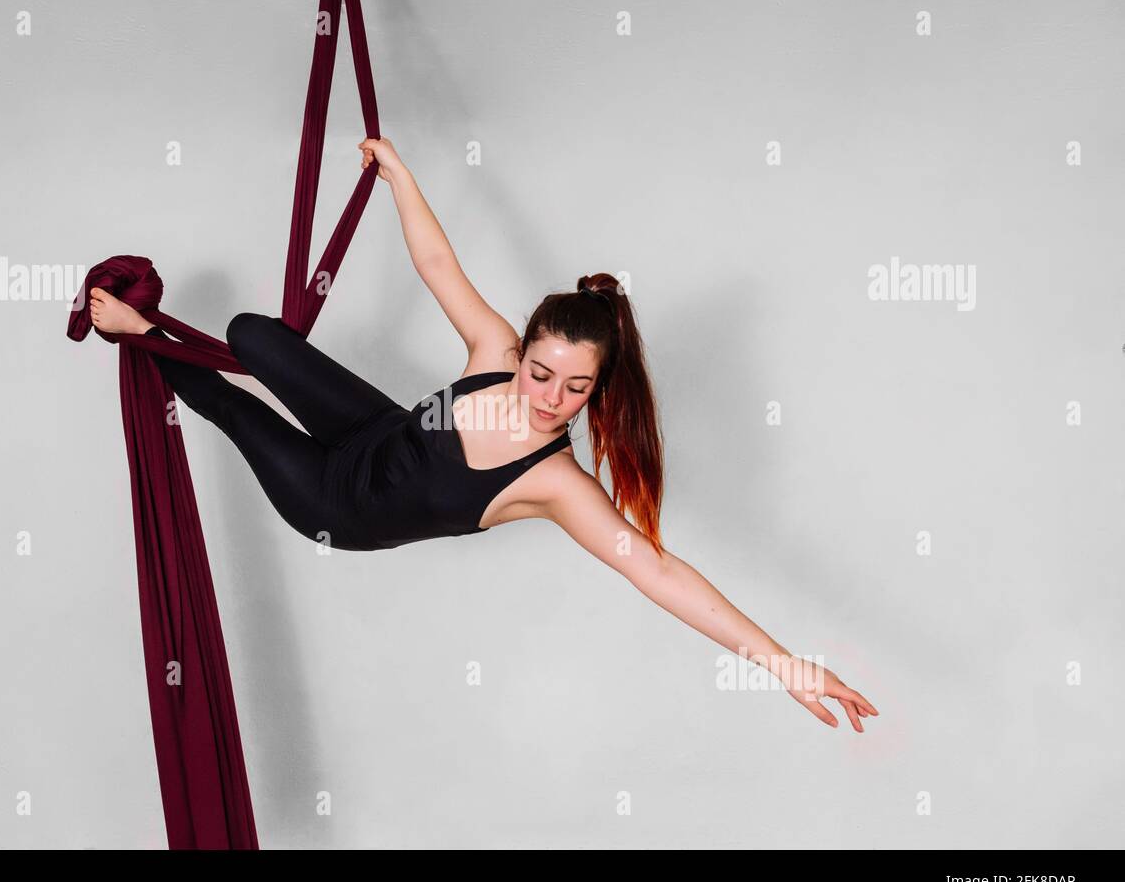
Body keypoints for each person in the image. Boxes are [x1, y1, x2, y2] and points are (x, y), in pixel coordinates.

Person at [87, 136, 879, 732]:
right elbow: (438, 264)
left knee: (239, 405)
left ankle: (135, 329)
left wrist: (786, 666)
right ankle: (170, 334)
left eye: (576, 390)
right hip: (376, 428)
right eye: (541, 373)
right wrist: (399, 175)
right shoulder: (493, 351)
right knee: (252, 335)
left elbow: (662, 574)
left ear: (599, 391)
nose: (548, 399)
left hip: (339, 505)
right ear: (523, 350)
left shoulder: (557, 485)